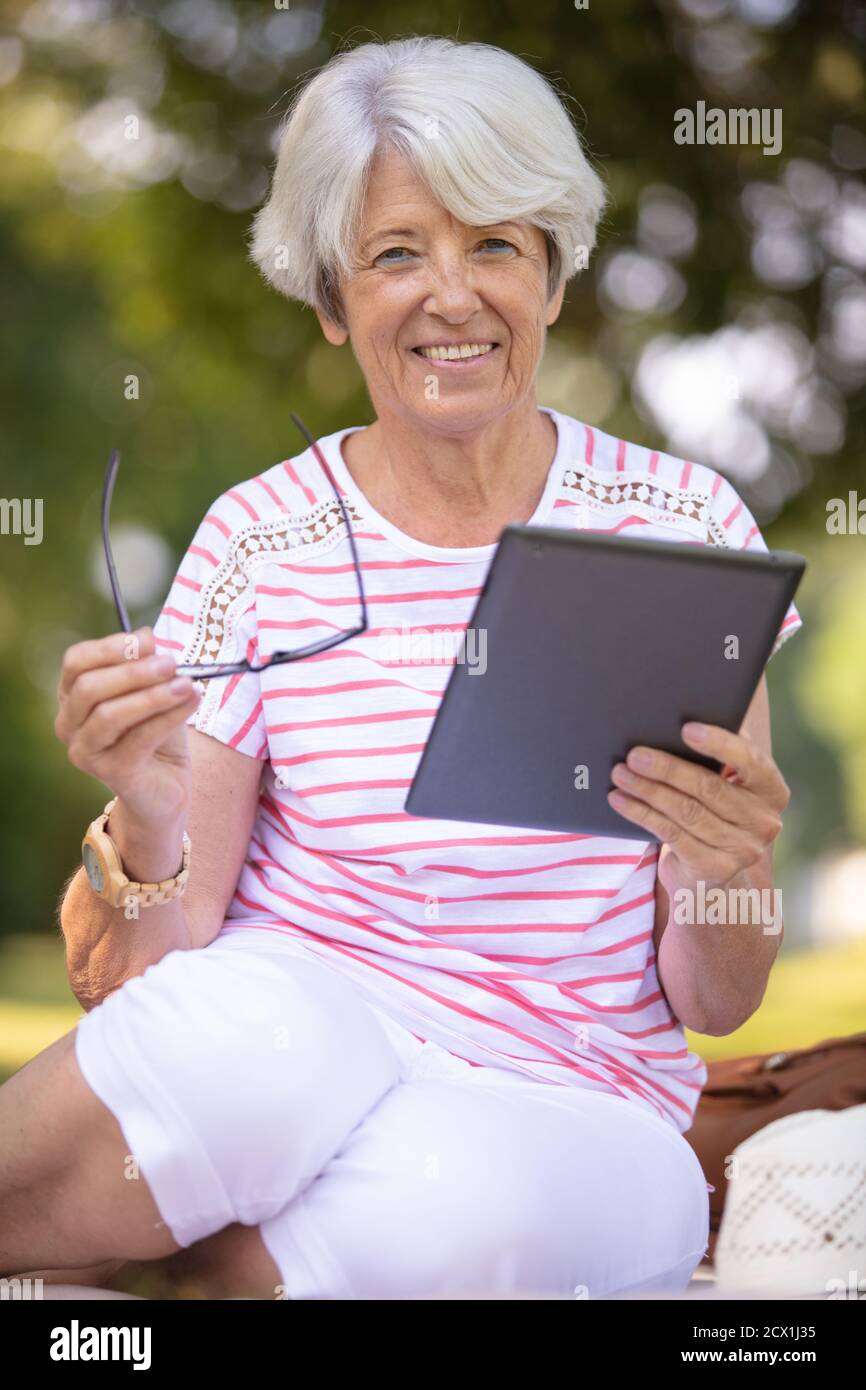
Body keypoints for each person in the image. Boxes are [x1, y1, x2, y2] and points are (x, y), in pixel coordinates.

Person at [0, 36, 801, 1300]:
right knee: (248, 1042)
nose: (450, 295)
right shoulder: (259, 539)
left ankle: (172, 1272)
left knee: (455, 1216)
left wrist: (725, 865)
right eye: (393, 254)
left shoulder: (682, 531)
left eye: (493, 244)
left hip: (570, 1095)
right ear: (330, 299)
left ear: (549, 276)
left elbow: (714, 999)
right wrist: (147, 822)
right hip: (293, 1037)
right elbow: (143, 983)